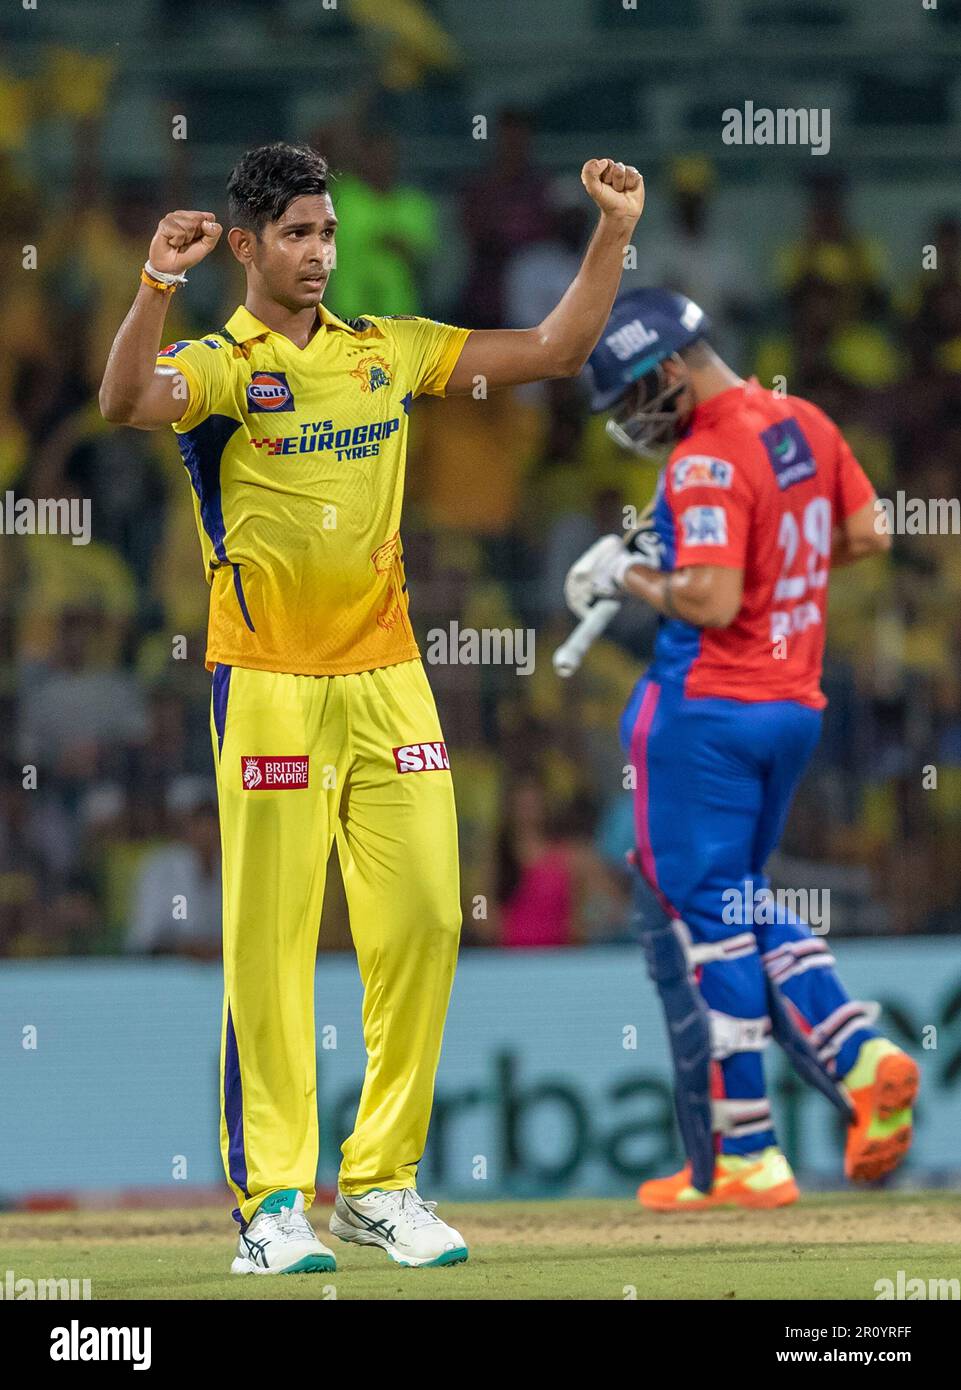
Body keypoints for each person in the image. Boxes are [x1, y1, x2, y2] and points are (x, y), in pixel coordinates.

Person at [99, 142, 643, 1271]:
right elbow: (122, 401)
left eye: (328, 232)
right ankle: (270, 1206)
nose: (318, 252)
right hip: (267, 682)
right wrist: (155, 282)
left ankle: (381, 1184)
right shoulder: (218, 362)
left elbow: (555, 348)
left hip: (390, 677)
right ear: (245, 246)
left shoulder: (382, 352)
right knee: (270, 944)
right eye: (296, 234)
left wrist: (611, 230)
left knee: (427, 921)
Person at [563, 287, 920, 1210]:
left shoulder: (705, 457)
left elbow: (712, 603)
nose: (633, 424)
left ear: (670, 369)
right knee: (736, 898)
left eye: (635, 399)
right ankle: (854, 1051)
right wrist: (768, 560)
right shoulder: (801, 419)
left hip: (703, 711)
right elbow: (866, 535)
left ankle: (755, 1147)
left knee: (709, 917)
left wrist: (626, 571)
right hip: (792, 706)